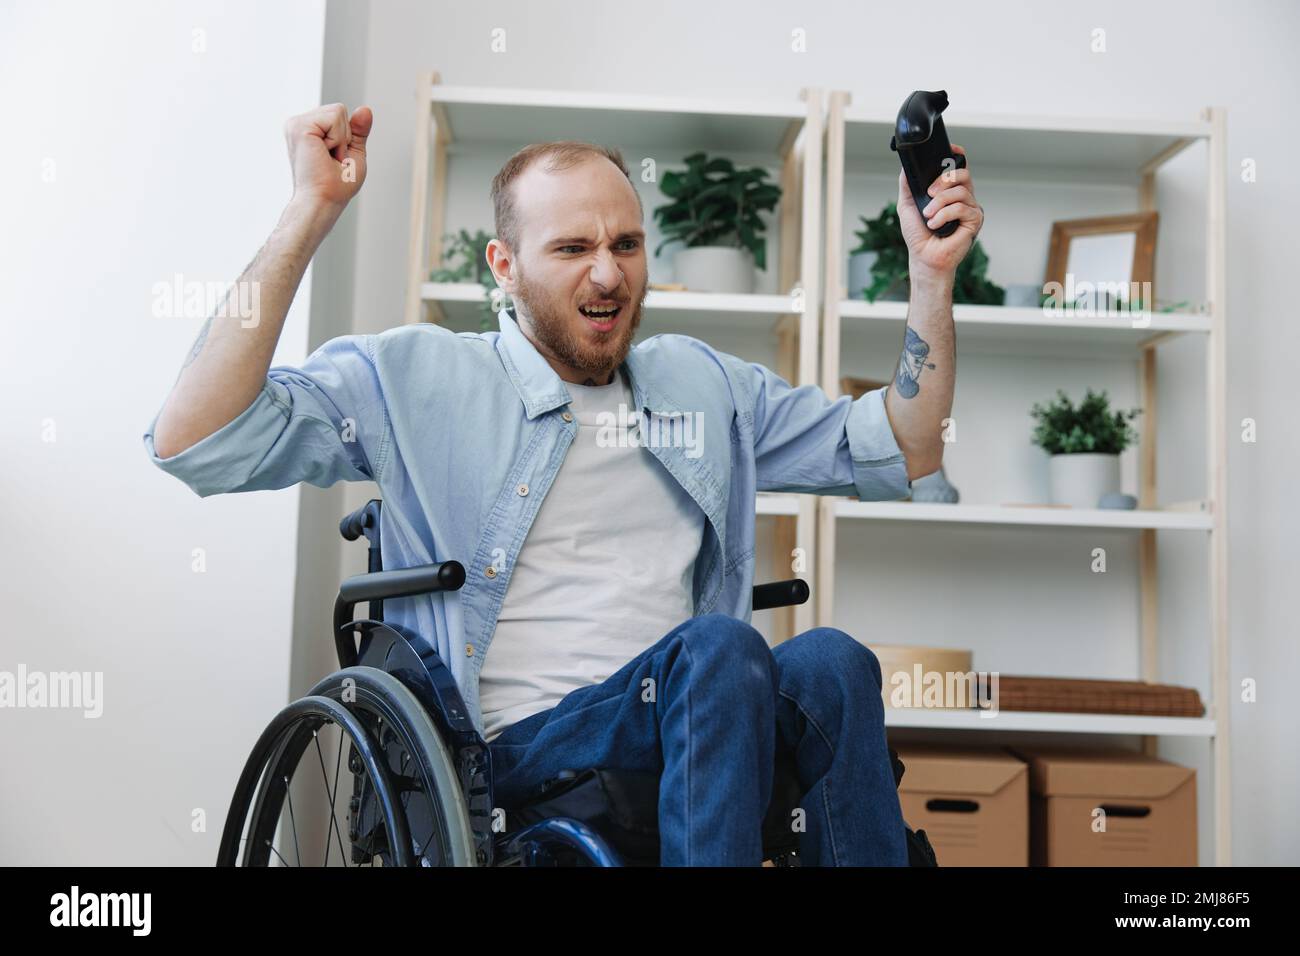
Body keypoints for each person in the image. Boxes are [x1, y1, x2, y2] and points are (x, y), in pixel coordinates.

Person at [144, 102, 983, 866]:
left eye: (625, 244)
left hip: (705, 719)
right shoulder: (417, 377)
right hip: (515, 752)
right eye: (573, 249)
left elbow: (904, 447)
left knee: (832, 662)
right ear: (504, 265)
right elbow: (199, 440)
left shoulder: (702, 384)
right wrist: (309, 210)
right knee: (722, 649)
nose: (609, 275)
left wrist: (930, 276)